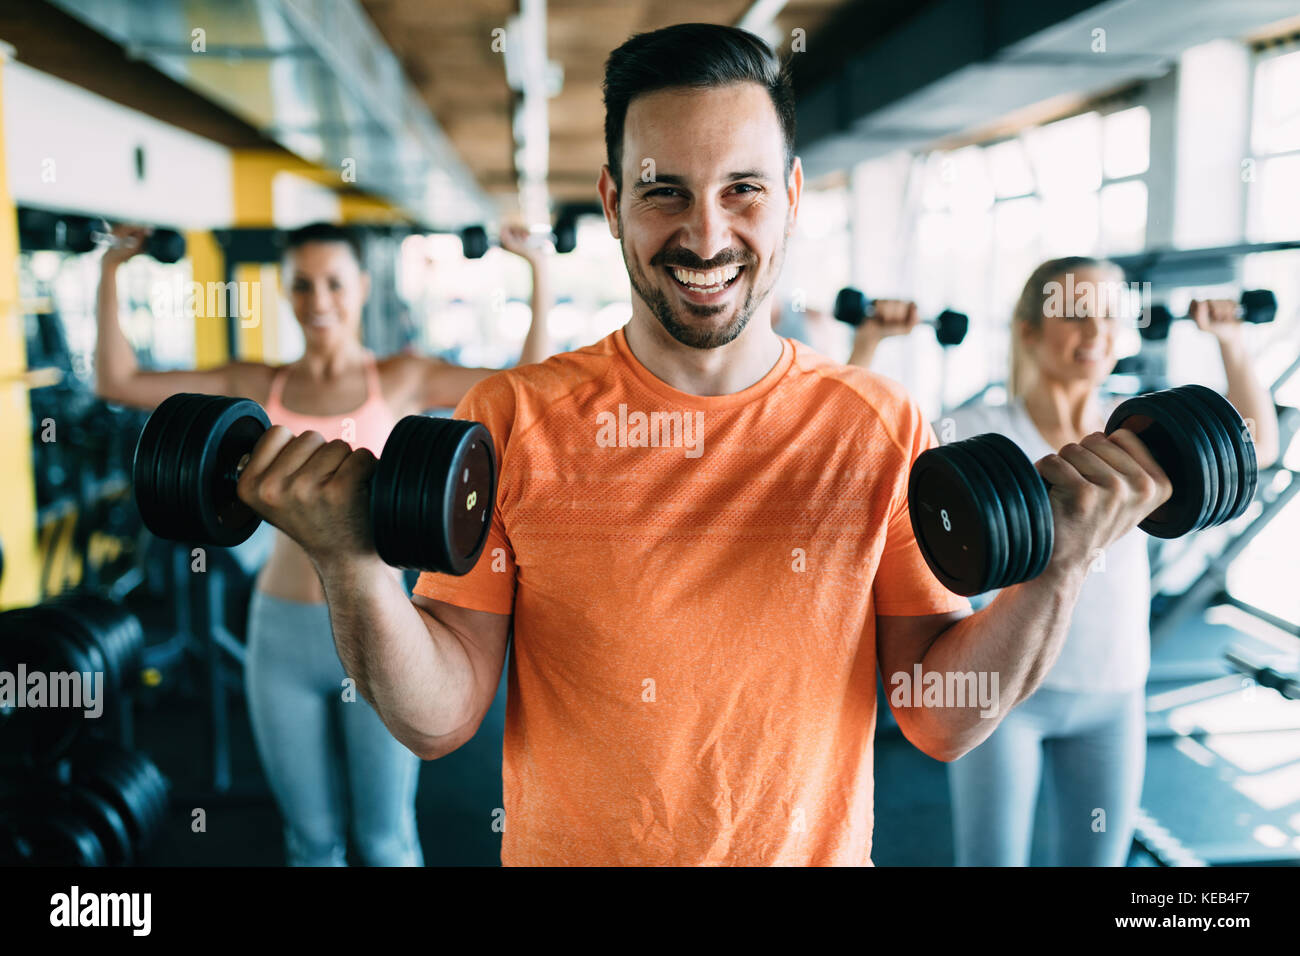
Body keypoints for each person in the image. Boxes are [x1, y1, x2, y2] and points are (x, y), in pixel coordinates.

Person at [228, 24, 1175, 866]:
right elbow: (440, 721)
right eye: (664, 191)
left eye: (743, 190)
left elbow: (938, 719)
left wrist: (1057, 571)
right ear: (611, 197)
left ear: (793, 195)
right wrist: (351, 566)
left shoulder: (877, 425)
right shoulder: (511, 418)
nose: (706, 232)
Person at [94, 220, 552, 866]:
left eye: (334, 282)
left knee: (385, 840)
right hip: (279, 631)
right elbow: (118, 382)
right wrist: (113, 268)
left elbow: (527, 383)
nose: (319, 300)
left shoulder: (400, 378)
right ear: (287, 292)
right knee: (311, 846)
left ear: (361, 287)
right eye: (303, 285)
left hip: (384, 628)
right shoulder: (260, 385)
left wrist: (537, 269)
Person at [920, 256, 1278, 866]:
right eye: (1076, 314)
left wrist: (1231, 341)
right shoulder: (973, 431)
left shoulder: (1142, 434)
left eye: (1112, 314)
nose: (1097, 332)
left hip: (1114, 690)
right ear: (1029, 329)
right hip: (1006, 694)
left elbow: (1256, 448)